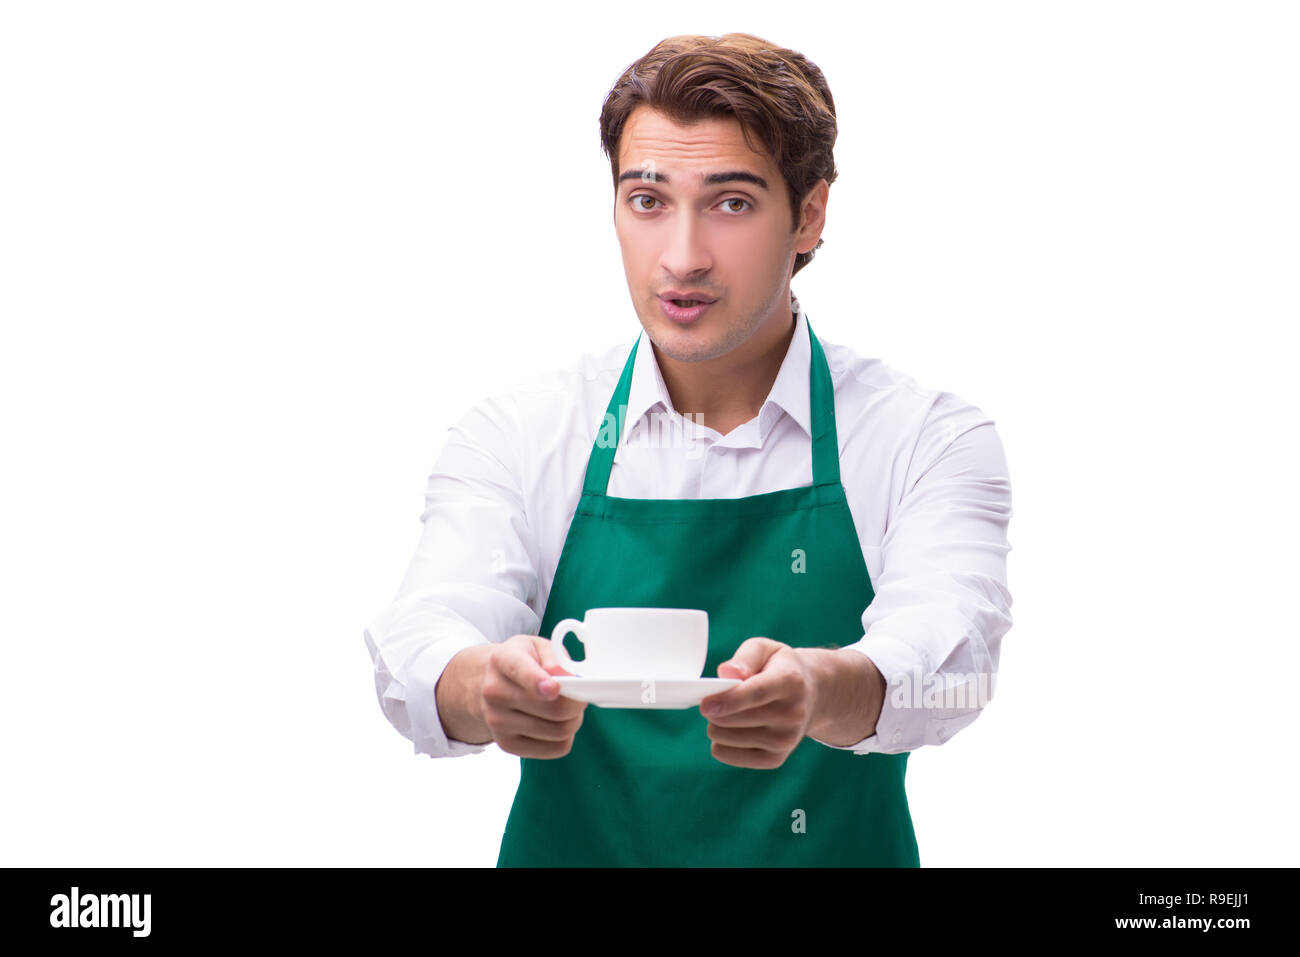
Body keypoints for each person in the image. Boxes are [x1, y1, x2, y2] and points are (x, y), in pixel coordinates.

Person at [363, 32, 1013, 867]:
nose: (682, 256)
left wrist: (821, 689)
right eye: (648, 200)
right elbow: (423, 637)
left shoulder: (923, 435)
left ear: (809, 213)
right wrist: (481, 686)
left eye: (731, 202)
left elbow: (951, 663)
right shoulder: (522, 432)